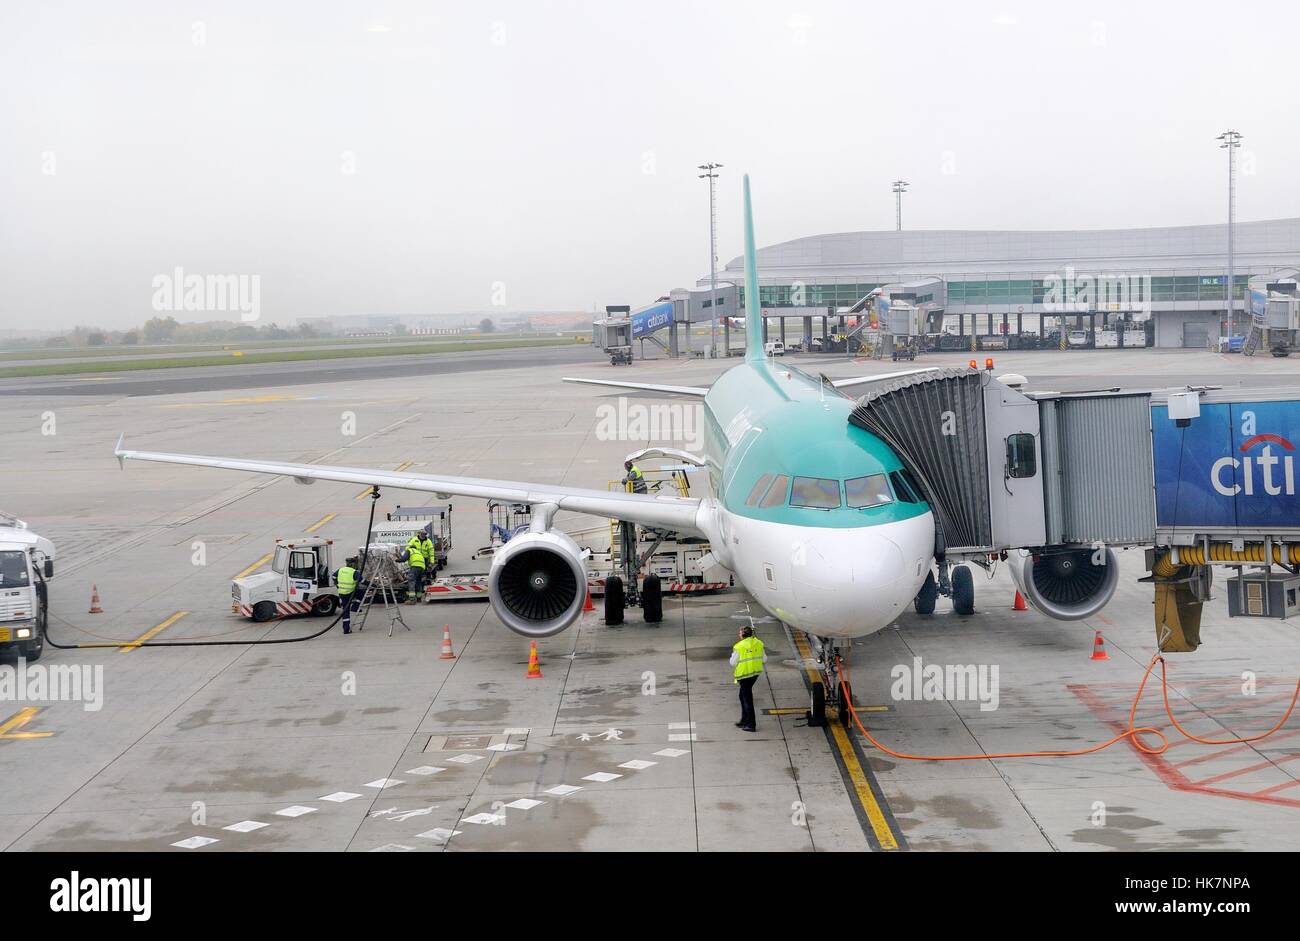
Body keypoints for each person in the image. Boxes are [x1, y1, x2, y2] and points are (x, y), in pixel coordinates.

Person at [730, 624, 767, 732]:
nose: (739, 634)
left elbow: (732, 663)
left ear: (742, 635)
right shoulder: (759, 643)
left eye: (740, 632)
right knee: (742, 696)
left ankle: (751, 724)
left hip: (744, 676)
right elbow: (764, 659)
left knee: (747, 700)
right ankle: (744, 720)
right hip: (754, 674)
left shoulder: (739, 646)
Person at [334, 556, 359, 634]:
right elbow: (363, 581)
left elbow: (333, 576)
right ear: (353, 564)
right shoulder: (354, 572)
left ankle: (346, 629)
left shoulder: (341, 570)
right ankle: (355, 606)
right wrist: (372, 585)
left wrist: (337, 585)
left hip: (342, 593)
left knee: (345, 610)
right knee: (361, 592)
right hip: (350, 592)